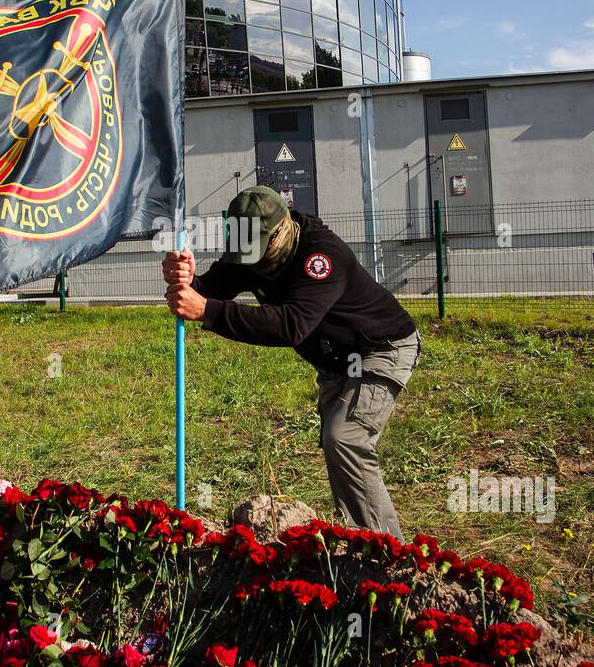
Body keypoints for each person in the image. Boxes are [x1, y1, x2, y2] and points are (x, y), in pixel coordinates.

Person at [163, 186, 420, 538]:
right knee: (340, 449)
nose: (249, 259)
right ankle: (361, 541)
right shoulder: (252, 250)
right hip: (335, 363)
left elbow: (291, 325)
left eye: (256, 249)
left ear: (281, 230)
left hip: (380, 349)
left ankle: (388, 556)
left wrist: (206, 311)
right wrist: (188, 278)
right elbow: (212, 287)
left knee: (345, 438)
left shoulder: (322, 256)